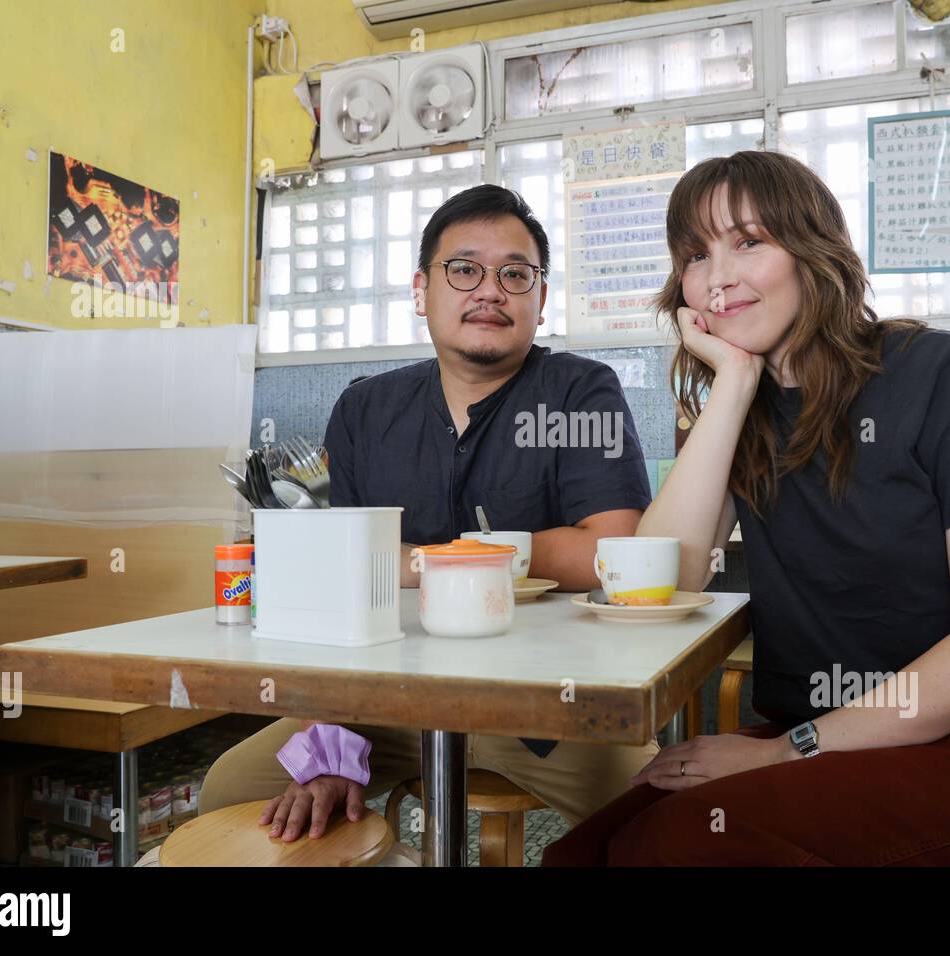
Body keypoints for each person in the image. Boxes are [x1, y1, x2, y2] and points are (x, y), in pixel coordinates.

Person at [543, 150, 950, 866]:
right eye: (695, 255)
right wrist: (731, 385)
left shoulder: (946, 374)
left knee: (678, 846)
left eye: (748, 241)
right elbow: (661, 579)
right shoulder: (733, 410)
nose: (718, 277)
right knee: (586, 851)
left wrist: (789, 751)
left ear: (811, 251)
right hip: (835, 740)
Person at [200, 185, 659, 841]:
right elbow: (333, 585)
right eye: (465, 269)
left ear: (540, 298)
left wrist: (418, 559)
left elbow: (610, 552)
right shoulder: (366, 409)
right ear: (422, 290)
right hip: (378, 704)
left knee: (657, 824)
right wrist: (327, 740)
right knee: (227, 796)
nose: (490, 290)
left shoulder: (580, 391)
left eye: (515, 274)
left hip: (540, 710)